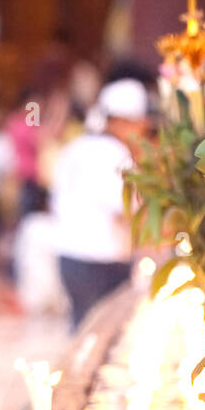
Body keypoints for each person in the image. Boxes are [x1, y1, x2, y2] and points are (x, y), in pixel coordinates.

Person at [51, 78, 147, 329]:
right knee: (100, 340)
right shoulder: (113, 155)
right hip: (102, 263)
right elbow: (126, 210)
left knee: (82, 335)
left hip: (71, 257)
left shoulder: (76, 148)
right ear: (121, 122)